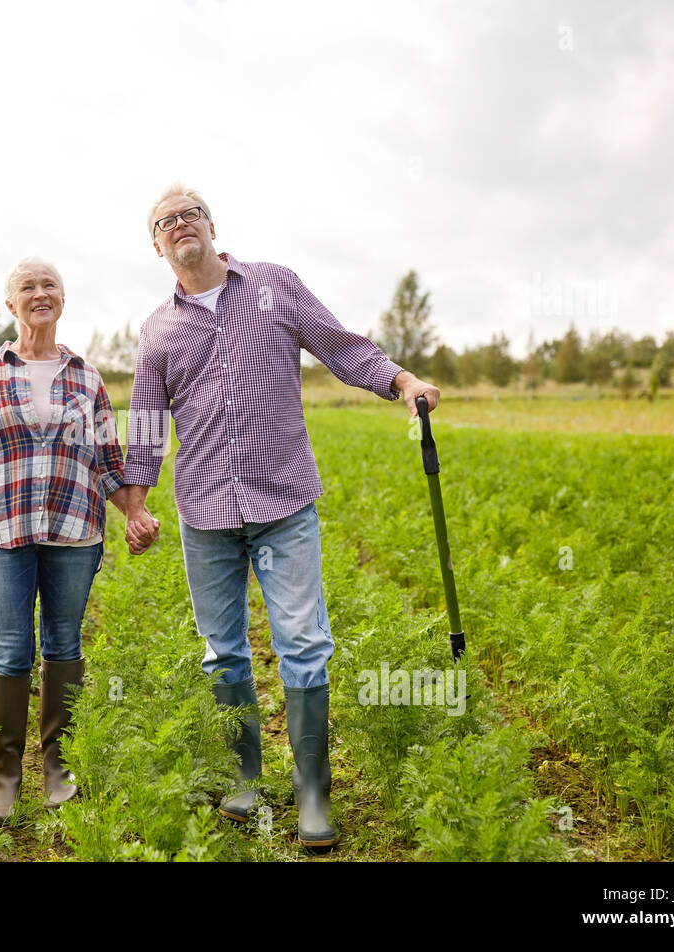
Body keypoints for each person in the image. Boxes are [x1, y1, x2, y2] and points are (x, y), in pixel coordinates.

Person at [121, 184, 441, 849]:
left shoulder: (274, 285)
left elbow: (340, 347)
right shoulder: (157, 330)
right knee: (222, 653)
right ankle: (245, 780)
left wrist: (402, 382)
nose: (180, 226)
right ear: (155, 245)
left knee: (302, 644)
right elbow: (148, 423)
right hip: (206, 510)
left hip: (284, 503)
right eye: (165, 222)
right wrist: (135, 499)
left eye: (189, 215)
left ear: (211, 225)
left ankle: (314, 794)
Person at [0, 257, 138, 823]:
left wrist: (134, 511)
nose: (40, 293)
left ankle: (58, 766)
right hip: (3, 533)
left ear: (62, 298)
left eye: (49, 284)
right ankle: (6, 773)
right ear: (11, 304)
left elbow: (108, 461)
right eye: (27, 287)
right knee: (11, 649)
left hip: (74, 531)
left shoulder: (87, 377)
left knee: (63, 644)